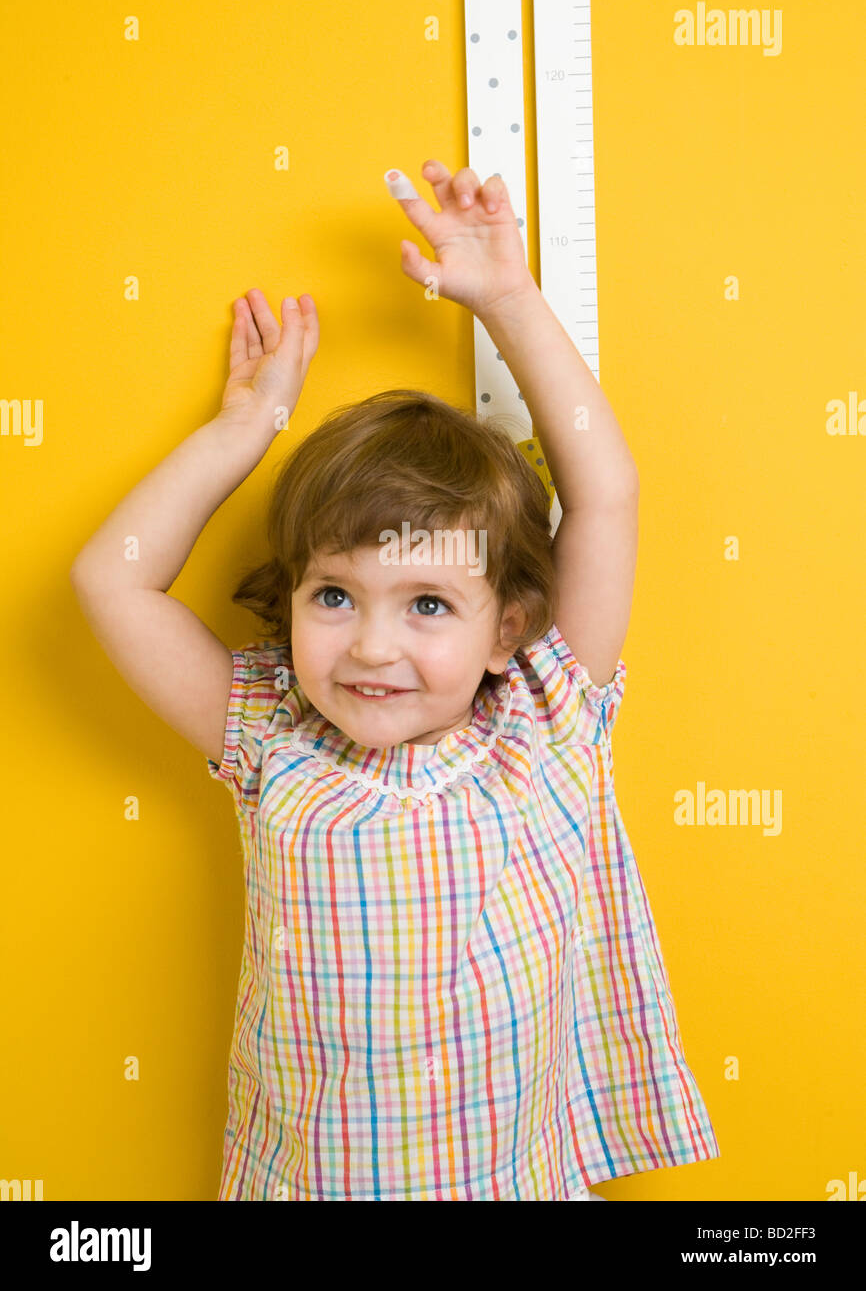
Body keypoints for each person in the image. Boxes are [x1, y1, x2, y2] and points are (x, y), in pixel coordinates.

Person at [70, 159, 719, 1200]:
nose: (370, 647)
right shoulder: (267, 732)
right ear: (290, 599)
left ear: (506, 626)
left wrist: (507, 297)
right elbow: (110, 579)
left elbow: (604, 492)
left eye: (426, 604)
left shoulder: (544, 719)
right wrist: (247, 426)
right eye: (334, 596)